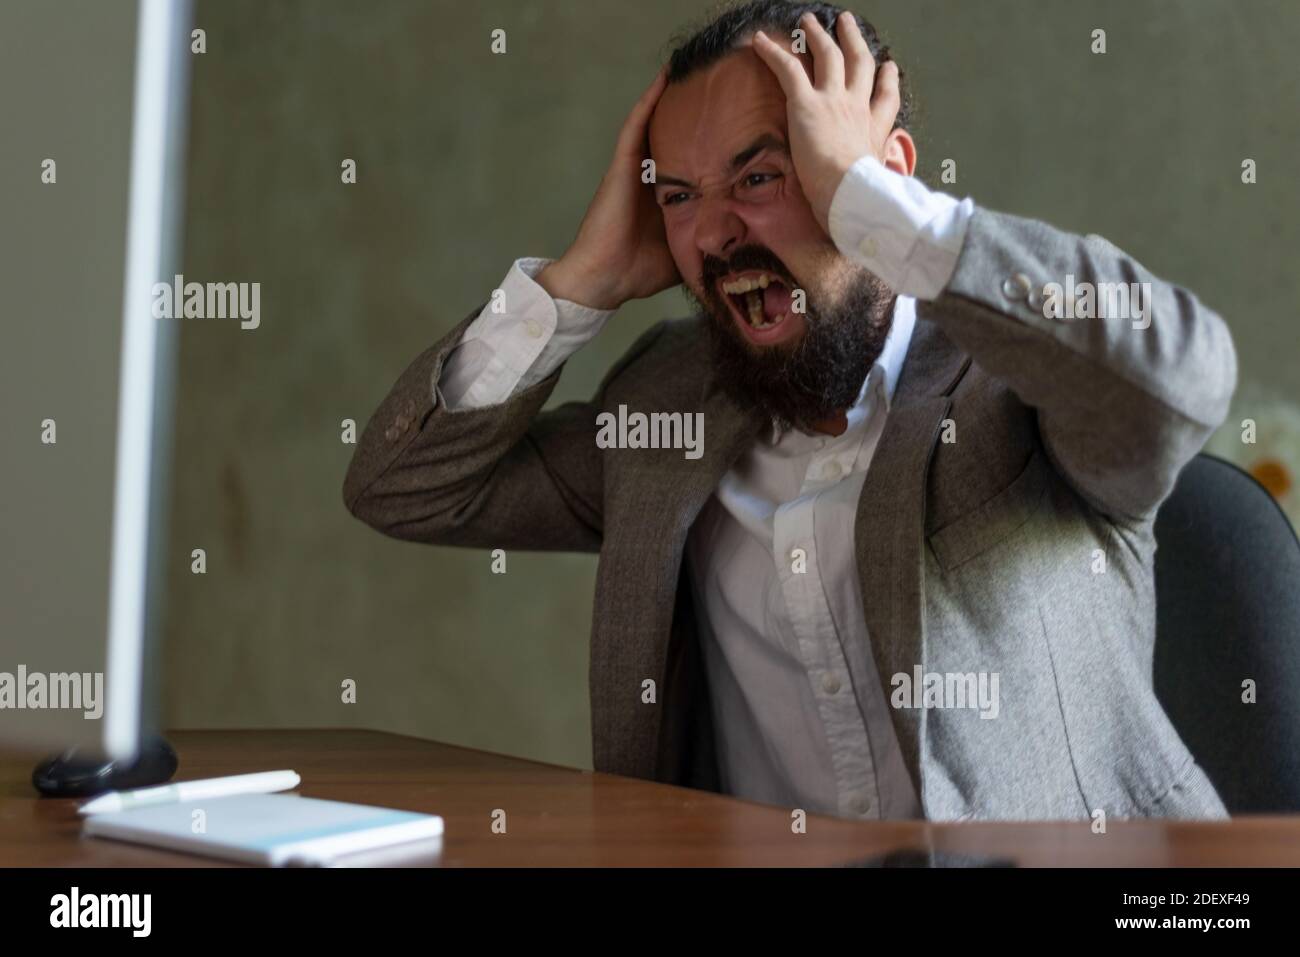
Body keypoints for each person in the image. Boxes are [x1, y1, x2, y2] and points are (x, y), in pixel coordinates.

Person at [344, 1, 1236, 821]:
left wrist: (883, 209)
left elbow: (1178, 381)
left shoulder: (1018, 382)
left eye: (761, 177)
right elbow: (403, 487)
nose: (716, 233)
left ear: (882, 179)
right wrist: (583, 283)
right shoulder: (665, 407)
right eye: (679, 197)